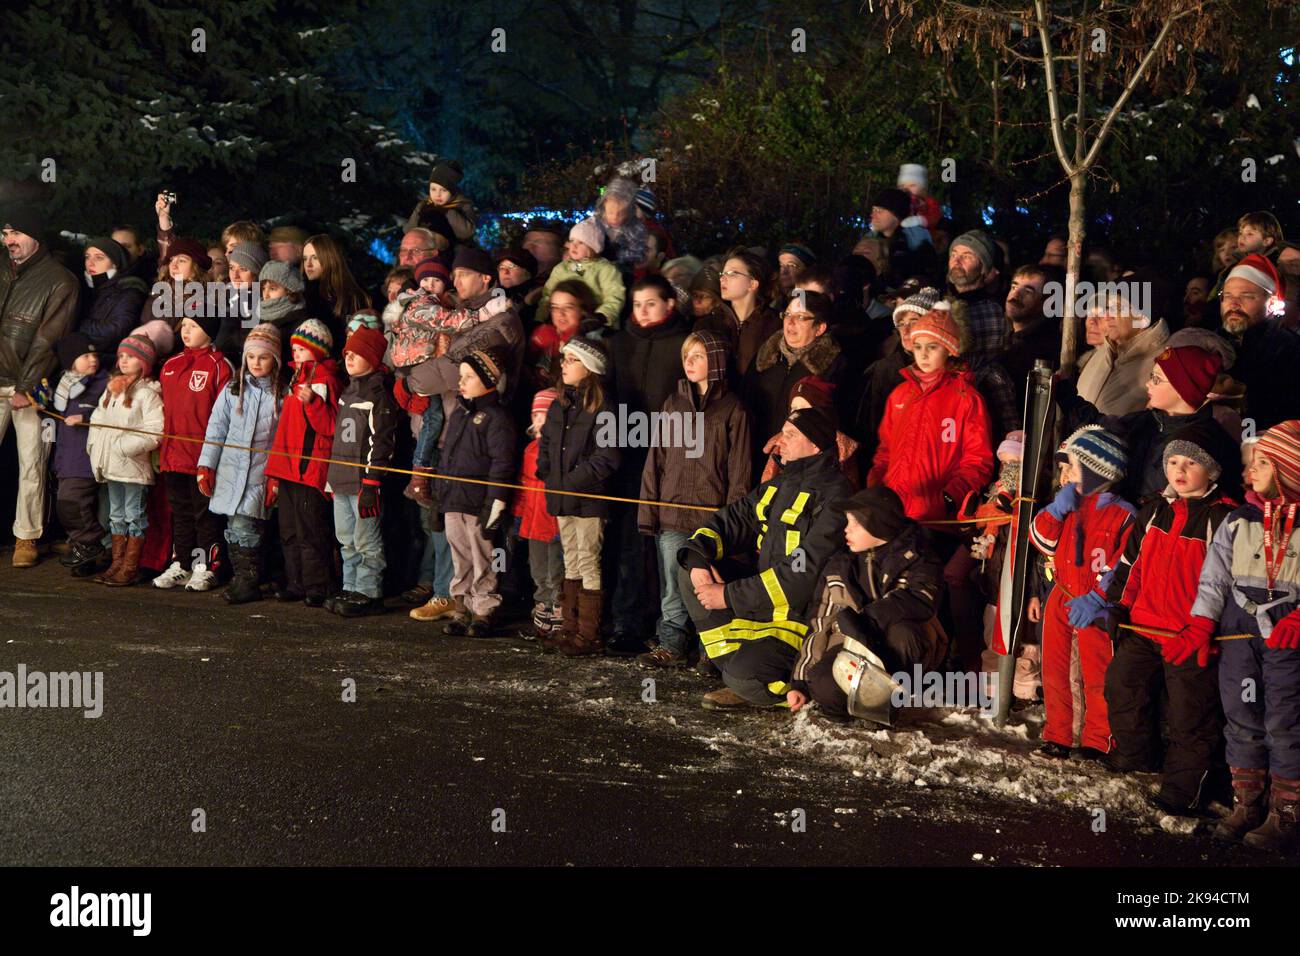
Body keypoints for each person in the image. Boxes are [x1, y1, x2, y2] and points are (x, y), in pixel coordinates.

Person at [676, 405, 853, 709]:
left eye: (790, 435)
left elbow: (804, 575)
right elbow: (726, 524)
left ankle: (787, 687)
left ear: (815, 444)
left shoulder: (836, 495)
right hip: (761, 609)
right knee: (688, 567)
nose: (779, 441)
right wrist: (696, 562)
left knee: (745, 677)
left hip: (801, 620)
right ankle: (741, 676)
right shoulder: (776, 487)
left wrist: (729, 595)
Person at [1103, 425, 1236, 815]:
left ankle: (1183, 787)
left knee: (1189, 713)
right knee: (1122, 685)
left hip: (1188, 634)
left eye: (1191, 462)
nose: (1179, 469)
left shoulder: (1222, 520)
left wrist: (1212, 629)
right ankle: (1135, 755)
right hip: (1142, 627)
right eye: (1173, 461)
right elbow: (1129, 566)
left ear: (1211, 472)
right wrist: (1117, 606)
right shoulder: (1153, 512)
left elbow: (1224, 584)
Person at [1186, 422, 1300, 851]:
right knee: (1242, 715)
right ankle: (1247, 803)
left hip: (1287, 639)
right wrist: (1201, 623)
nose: (1252, 471)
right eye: (1253, 462)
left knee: (1285, 722)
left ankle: (1285, 813)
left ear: (1289, 470)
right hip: (1239, 635)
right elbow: (1213, 581)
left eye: (1264, 463)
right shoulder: (1237, 521)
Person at [636, 331, 751, 667]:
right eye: (687, 355)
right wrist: (650, 511)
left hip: (712, 517)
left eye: (698, 356)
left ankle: (711, 650)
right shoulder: (673, 404)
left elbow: (739, 469)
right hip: (673, 513)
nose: (690, 362)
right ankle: (671, 644)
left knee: (708, 583)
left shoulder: (734, 408)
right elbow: (655, 461)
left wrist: (733, 521)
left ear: (715, 363)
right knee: (673, 583)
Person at [788, 485, 945, 723]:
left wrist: (865, 619)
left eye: (855, 524)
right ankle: (844, 713)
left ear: (879, 525)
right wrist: (799, 682)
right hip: (852, 648)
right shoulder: (840, 567)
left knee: (904, 634)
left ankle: (895, 704)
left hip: (899, 646)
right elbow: (820, 624)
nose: (846, 530)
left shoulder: (917, 556)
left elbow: (921, 599)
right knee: (823, 682)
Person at [1029, 425, 1136, 761]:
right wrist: (1055, 511)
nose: (1064, 476)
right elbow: (1040, 541)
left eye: (1071, 468)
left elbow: (1124, 563)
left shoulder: (1125, 514)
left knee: (1097, 672)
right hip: (1060, 595)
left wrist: (1100, 597)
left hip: (1094, 604)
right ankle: (1058, 734)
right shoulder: (1065, 505)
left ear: (1095, 471)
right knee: (1056, 670)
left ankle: (1097, 739)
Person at [606, 274, 695, 654]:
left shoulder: (683, 343)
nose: (642, 311)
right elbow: (608, 397)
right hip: (627, 451)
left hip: (670, 453)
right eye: (637, 304)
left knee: (669, 540)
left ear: (669, 305)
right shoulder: (619, 343)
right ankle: (627, 622)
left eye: (651, 304)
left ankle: (672, 626)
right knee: (629, 539)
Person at [0, 206, 80, 567]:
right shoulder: (1, 270)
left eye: (15, 233)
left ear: (35, 236)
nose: (8, 241)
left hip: (30, 386)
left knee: (32, 462)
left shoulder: (60, 280)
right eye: (4, 234)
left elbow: (49, 339)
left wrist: (27, 385)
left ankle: (27, 537)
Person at [867, 304, 993, 523]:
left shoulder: (966, 397)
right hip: (891, 513)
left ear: (949, 349)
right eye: (917, 346)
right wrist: (876, 486)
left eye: (932, 347)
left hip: (936, 519)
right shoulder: (900, 395)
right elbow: (885, 451)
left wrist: (948, 498)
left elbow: (977, 461)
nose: (923, 354)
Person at [536, 338, 620, 656]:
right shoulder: (560, 404)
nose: (564, 365)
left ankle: (589, 633)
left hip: (589, 497)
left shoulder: (604, 407)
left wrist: (570, 481)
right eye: (564, 359)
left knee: (588, 560)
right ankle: (570, 628)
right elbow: (546, 444)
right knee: (570, 559)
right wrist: (546, 472)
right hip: (562, 495)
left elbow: (607, 457)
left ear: (589, 368)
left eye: (572, 360)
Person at [197, 324, 284, 605]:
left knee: (248, 526)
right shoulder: (233, 389)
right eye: (251, 357)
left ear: (276, 360)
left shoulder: (281, 394)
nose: (256, 363)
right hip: (231, 471)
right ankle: (243, 577)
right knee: (234, 526)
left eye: (264, 357)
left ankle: (249, 580)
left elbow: (284, 439)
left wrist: (276, 476)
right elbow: (216, 428)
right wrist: (206, 465)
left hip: (260, 473)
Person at [434, 348, 516, 637]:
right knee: (460, 554)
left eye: (469, 376)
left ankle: (484, 608)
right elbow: (447, 457)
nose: (462, 382)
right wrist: (440, 497)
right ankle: (463, 605)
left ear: (488, 379)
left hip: (479, 502)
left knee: (483, 556)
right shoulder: (459, 414)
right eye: (461, 376)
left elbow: (502, 463)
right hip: (454, 498)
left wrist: (495, 502)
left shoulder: (496, 417)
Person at [264, 320, 343, 607]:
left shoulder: (325, 380)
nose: (295, 352)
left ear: (318, 350)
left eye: (302, 348)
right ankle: (296, 583)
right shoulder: (296, 378)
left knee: (312, 531)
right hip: (288, 468)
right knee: (289, 530)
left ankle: (318, 586)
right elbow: (285, 430)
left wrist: (314, 403)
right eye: (294, 347)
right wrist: (274, 469)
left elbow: (332, 426)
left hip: (310, 469)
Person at [152, 312, 234, 591]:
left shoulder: (219, 366)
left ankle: (206, 567)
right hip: (173, 454)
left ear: (209, 331)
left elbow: (225, 415)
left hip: (202, 457)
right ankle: (183, 563)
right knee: (181, 512)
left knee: (205, 515)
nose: (186, 331)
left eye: (194, 326)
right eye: (184, 325)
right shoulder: (171, 365)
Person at [326, 326, 398, 618]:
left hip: (362, 484)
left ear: (372, 356)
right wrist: (331, 479)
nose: (349, 359)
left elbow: (380, 442)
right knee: (346, 538)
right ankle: (351, 586)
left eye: (356, 354)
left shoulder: (378, 394)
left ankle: (368, 591)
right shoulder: (348, 391)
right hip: (340, 479)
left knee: (366, 539)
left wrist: (371, 483)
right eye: (346, 354)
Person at [84, 330, 166, 587]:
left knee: (134, 515)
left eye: (131, 356)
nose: (124, 360)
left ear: (144, 361)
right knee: (116, 515)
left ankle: (130, 567)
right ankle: (116, 563)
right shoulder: (111, 391)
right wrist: (95, 445)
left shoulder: (148, 394)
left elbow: (156, 432)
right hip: (111, 465)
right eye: (121, 356)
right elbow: (98, 418)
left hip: (132, 466)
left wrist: (122, 447)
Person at [743, 291, 844, 481]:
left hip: (801, 467)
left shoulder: (834, 367)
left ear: (820, 328)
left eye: (800, 317)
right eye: (787, 315)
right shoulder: (765, 358)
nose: (790, 322)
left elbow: (833, 424)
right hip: (755, 458)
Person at [45, 332, 109, 577]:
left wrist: (87, 418)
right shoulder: (63, 385)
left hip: (85, 459)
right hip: (66, 458)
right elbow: (53, 416)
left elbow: (112, 414)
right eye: (85, 355)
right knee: (75, 506)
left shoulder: (103, 383)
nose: (92, 359)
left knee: (72, 503)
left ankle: (89, 543)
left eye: (94, 354)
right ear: (70, 361)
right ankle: (85, 552)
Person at [1217, 253, 1300, 431]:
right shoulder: (1212, 341)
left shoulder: (1288, 350)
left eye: (1246, 296)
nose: (1234, 304)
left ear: (1271, 303)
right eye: (1228, 295)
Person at [512, 388, 563, 641]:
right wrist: (519, 516)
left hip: (553, 523)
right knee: (538, 571)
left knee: (557, 572)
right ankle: (541, 615)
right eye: (537, 415)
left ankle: (558, 616)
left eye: (546, 416)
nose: (540, 421)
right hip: (533, 523)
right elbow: (522, 485)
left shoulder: (559, 451)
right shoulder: (530, 449)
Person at [1074, 287, 1171, 417]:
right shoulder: (1104, 352)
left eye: (1117, 309)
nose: (1107, 316)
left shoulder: (1163, 364)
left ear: (1141, 317)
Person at [696, 248, 780, 377]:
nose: (723, 279)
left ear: (752, 284)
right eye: (722, 274)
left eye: (732, 273)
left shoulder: (776, 325)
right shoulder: (708, 325)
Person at [535, 220, 625, 330]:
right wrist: (540, 318)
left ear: (593, 247)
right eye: (572, 241)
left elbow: (615, 295)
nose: (574, 246)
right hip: (563, 322)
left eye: (581, 242)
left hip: (595, 324)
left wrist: (602, 316)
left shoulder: (605, 269)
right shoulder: (562, 268)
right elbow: (547, 294)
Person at [301, 234, 370, 353]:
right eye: (305, 258)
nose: (308, 264)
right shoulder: (302, 293)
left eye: (315, 258)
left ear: (328, 258)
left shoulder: (351, 295)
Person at [79, 237, 149, 353]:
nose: (90, 263)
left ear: (115, 263)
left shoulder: (129, 290)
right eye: (87, 257)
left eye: (99, 258)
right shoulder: (84, 287)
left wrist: (77, 325)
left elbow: (117, 328)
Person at [946, 230, 1005, 363]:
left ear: (983, 267)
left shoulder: (996, 313)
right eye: (954, 254)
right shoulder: (938, 304)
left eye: (967, 256)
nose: (957, 261)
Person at [865, 188, 938, 288]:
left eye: (879, 211)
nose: (873, 215)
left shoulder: (917, 236)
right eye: (873, 210)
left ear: (895, 214)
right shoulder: (869, 239)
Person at [407, 159, 477, 244]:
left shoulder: (462, 205)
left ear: (452, 191)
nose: (438, 194)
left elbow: (467, 233)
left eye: (443, 190)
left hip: (453, 250)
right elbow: (409, 231)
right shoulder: (423, 205)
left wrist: (448, 212)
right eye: (433, 189)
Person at [896, 163, 942, 231]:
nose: (906, 189)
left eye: (912, 185)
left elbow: (935, 217)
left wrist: (920, 220)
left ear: (922, 188)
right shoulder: (898, 202)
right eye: (902, 186)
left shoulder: (929, 203)